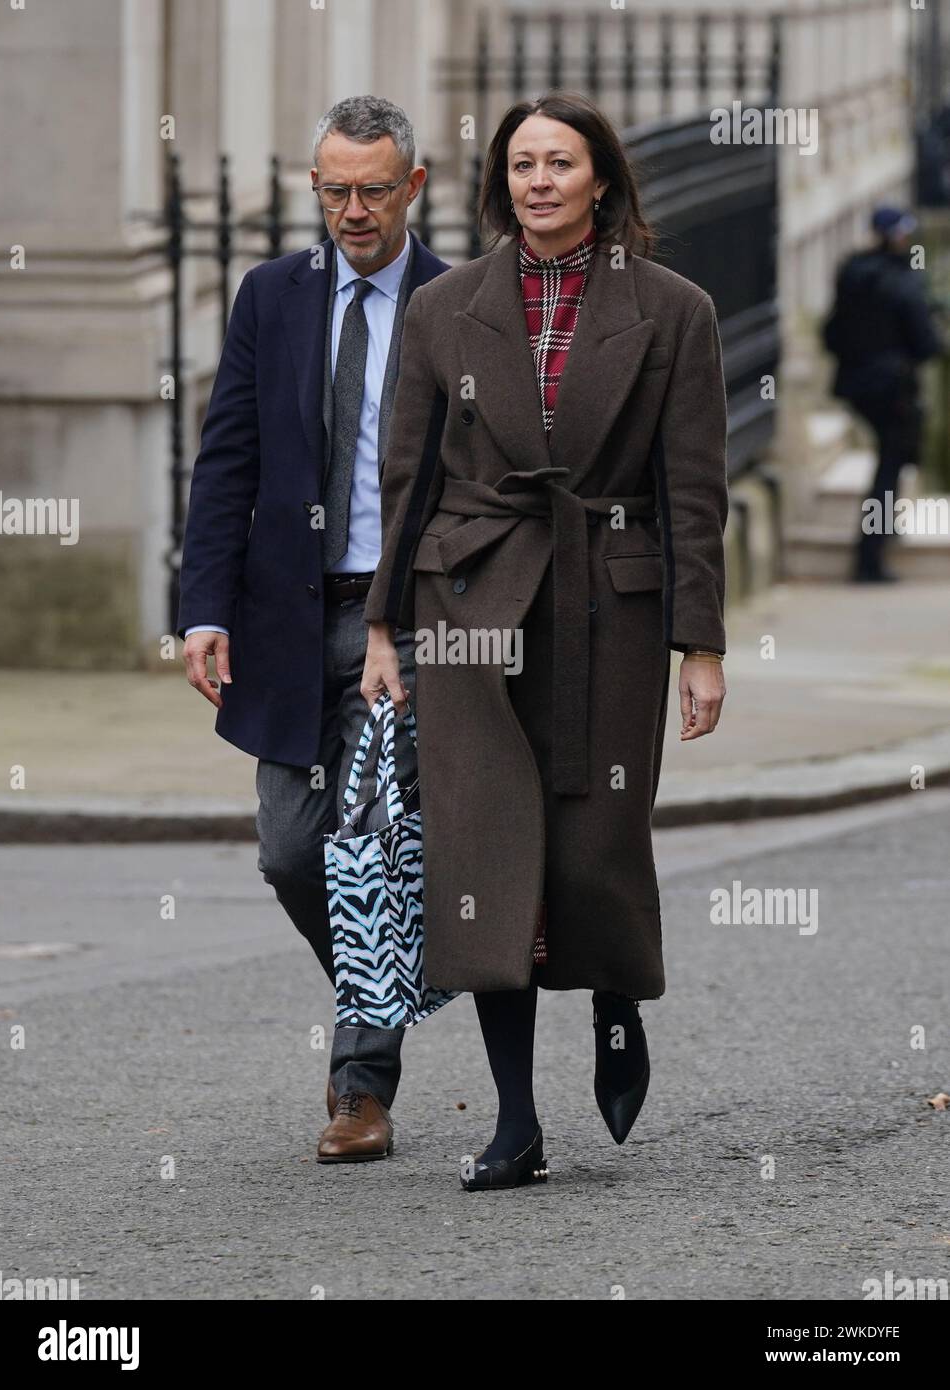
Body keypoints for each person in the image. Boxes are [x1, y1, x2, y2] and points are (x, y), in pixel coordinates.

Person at [361, 91, 729, 1191]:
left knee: (592, 843)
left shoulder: (675, 310)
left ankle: (615, 1001)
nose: (538, 182)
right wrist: (383, 625)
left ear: (600, 179)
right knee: (485, 858)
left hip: (609, 602)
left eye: (559, 163)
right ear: (500, 182)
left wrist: (700, 645)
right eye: (521, 164)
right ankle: (514, 1121)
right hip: (471, 602)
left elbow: (693, 491)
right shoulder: (444, 308)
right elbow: (405, 477)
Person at [177, 96, 449, 1163]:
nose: (353, 211)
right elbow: (227, 461)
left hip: (407, 624)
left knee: (368, 846)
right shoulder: (271, 296)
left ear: (413, 186)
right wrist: (204, 607)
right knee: (294, 853)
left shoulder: (454, 302)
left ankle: (360, 1087)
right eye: (334, 191)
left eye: (373, 190)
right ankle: (389, 980)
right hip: (290, 619)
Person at [823, 205, 944, 582]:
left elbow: (831, 334)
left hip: (857, 385)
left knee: (892, 459)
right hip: (891, 389)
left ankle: (882, 533)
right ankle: (870, 557)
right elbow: (927, 344)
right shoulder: (903, 281)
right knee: (890, 467)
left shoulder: (852, 273)